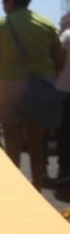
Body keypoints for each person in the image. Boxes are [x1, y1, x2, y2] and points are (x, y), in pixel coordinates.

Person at [0, 0, 64, 189]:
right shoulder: (47, 24)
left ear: (10, 1)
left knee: (13, 144)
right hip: (42, 87)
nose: (3, 6)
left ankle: (15, 191)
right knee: (37, 145)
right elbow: (60, 61)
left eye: (3, 1)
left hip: (7, 85)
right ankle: (37, 186)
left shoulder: (2, 24)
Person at [53, 14, 70, 185]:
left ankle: (65, 170)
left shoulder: (65, 36)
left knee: (64, 134)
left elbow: (59, 63)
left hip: (63, 91)